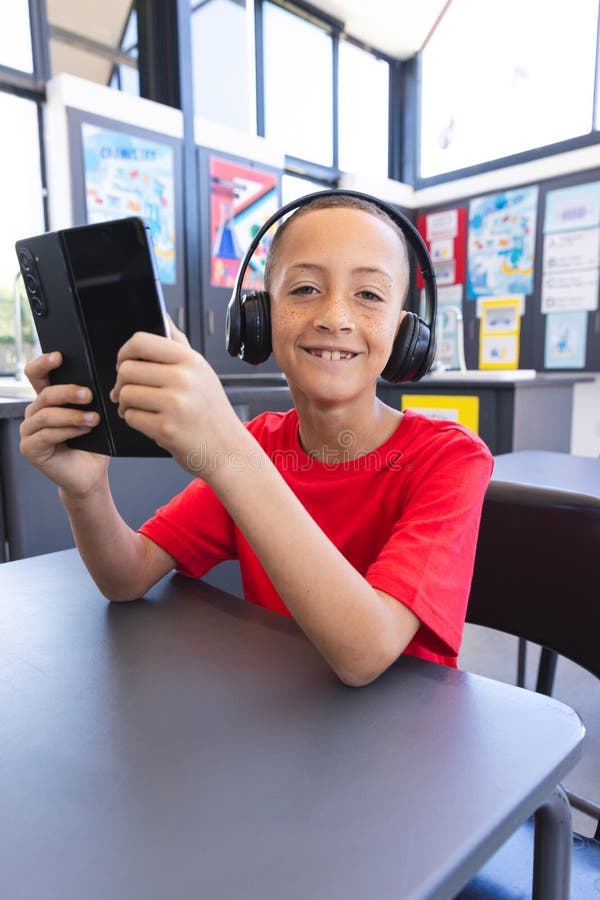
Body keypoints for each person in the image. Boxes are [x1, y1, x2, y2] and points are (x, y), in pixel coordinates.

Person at [20, 193, 493, 687]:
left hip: (405, 738)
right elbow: (126, 575)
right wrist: (85, 490)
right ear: (258, 319)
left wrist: (226, 452)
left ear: (405, 332)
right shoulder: (260, 444)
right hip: (277, 723)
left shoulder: (450, 459)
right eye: (305, 288)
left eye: (369, 295)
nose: (334, 316)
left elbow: (364, 655)